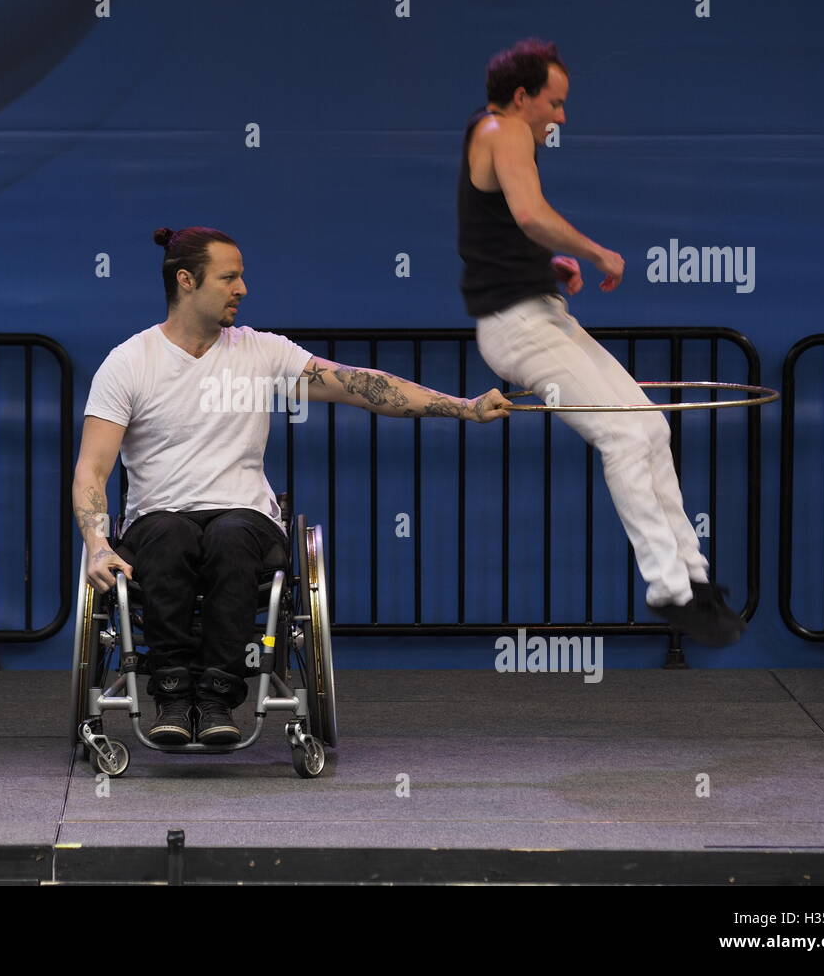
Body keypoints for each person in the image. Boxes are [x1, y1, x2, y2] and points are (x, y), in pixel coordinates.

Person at [73, 226, 511, 745]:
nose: (243, 288)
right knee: (170, 534)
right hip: (157, 521)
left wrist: (463, 407)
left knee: (230, 535)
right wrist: (98, 545)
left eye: (242, 277)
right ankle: (171, 693)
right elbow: (91, 470)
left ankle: (216, 698)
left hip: (246, 518)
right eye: (229, 277)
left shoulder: (261, 353)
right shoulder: (129, 362)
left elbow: (362, 386)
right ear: (186, 281)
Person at [457, 38, 745, 647]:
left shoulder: (496, 135)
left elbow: (507, 226)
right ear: (521, 97)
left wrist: (547, 264)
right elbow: (530, 213)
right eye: (555, 104)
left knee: (650, 427)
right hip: (518, 327)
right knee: (620, 433)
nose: (561, 118)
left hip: (536, 311)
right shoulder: (502, 129)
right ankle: (668, 587)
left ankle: (694, 578)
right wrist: (596, 252)